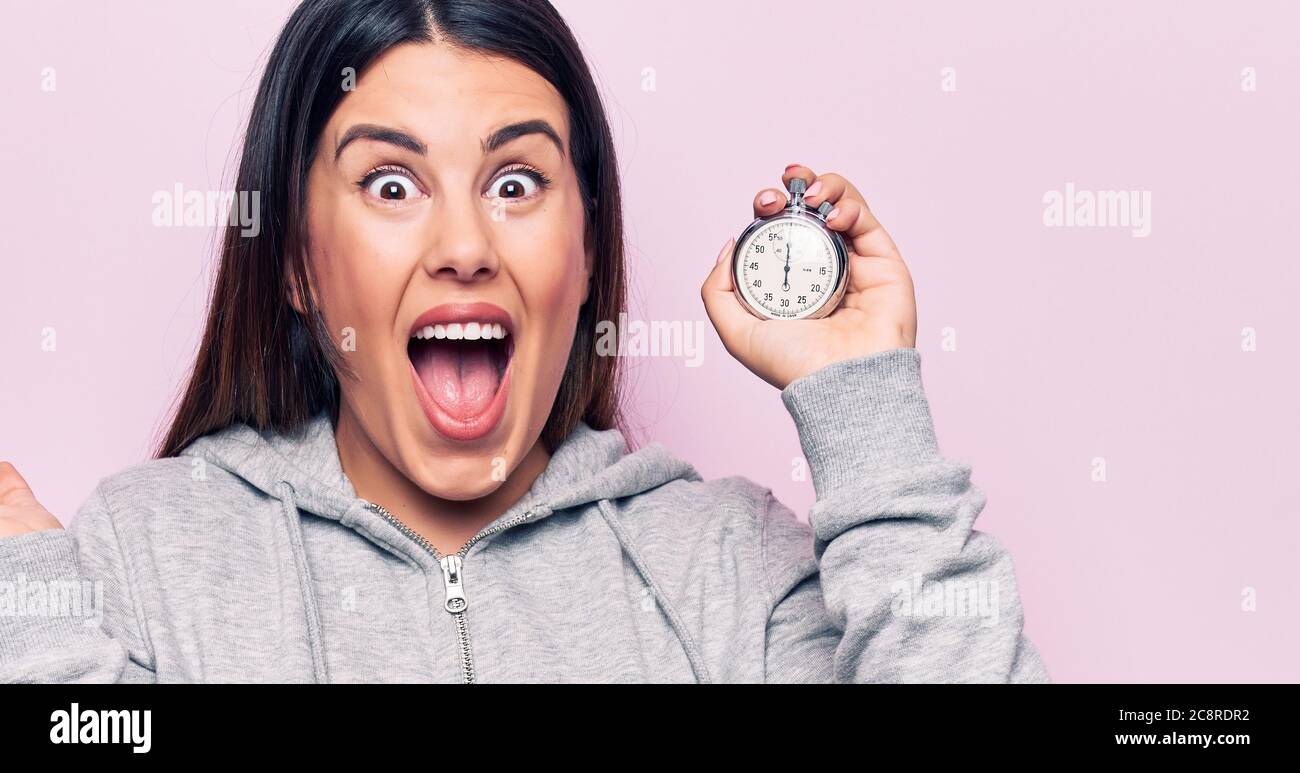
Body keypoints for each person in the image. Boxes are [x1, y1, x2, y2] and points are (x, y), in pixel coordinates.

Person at [0, 0, 1049, 683]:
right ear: (297, 261)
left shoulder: (735, 573)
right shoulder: (145, 557)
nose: (464, 244)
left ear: (586, 247)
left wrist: (867, 416)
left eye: (516, 184)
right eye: (390, 184)